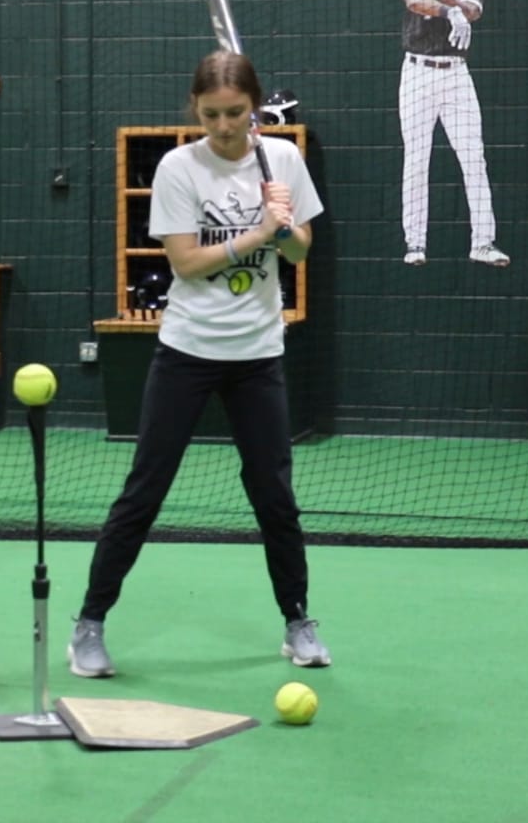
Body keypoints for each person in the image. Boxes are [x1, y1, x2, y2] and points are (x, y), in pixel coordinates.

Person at [68, 50, 330, 678]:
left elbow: (298, 253)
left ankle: (298, 621)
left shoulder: (284, 160)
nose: (224, 126)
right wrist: (256, 232)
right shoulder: (178, 167)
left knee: (274, 496)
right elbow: (185, 263)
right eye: (211, 114)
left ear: (253, 107)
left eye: (235, 113)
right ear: (195, 109)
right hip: (187, 352)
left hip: (258, 356)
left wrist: (285, 224)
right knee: (144, 491)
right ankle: (90, 626)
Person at [398, 0, 509, 267]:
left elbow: (472, 12)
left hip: (456, 74)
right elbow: (415, 1)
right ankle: (415, 242)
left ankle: (483, 243)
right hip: (418, 72)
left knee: (474, 157)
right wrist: (450, 10)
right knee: (417, 158)